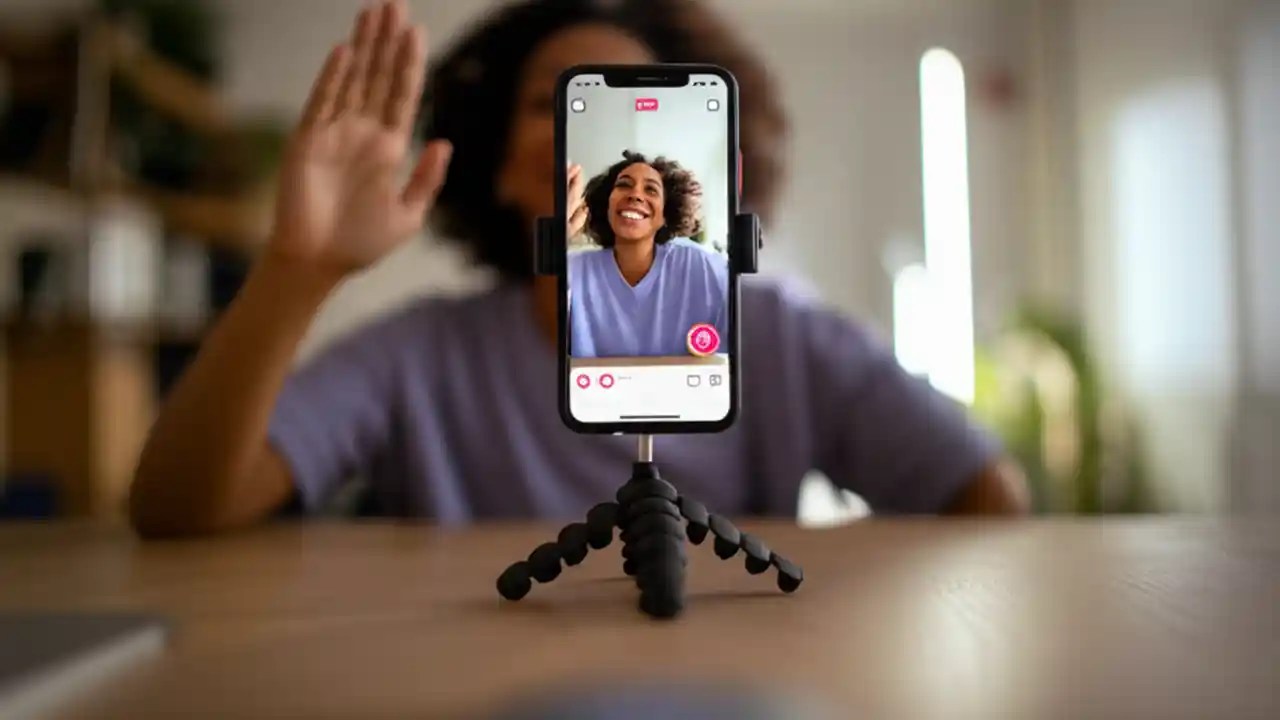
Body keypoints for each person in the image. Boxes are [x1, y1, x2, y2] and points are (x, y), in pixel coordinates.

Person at [128, 0, 1028, 537]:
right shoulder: (421, 356)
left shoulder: (781, 338)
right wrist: (299, 267)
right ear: (501, 163)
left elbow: (986, 494)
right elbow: (177, 509)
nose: (591, 139)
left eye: (626, 105)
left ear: (693, 165)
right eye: (552, 103)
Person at [569, 151, 727, 358]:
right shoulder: (572, 270)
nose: (635, 194)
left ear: (665, 214)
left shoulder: (702, 266)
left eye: (651, 189)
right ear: (607, 204)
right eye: (623, 185)